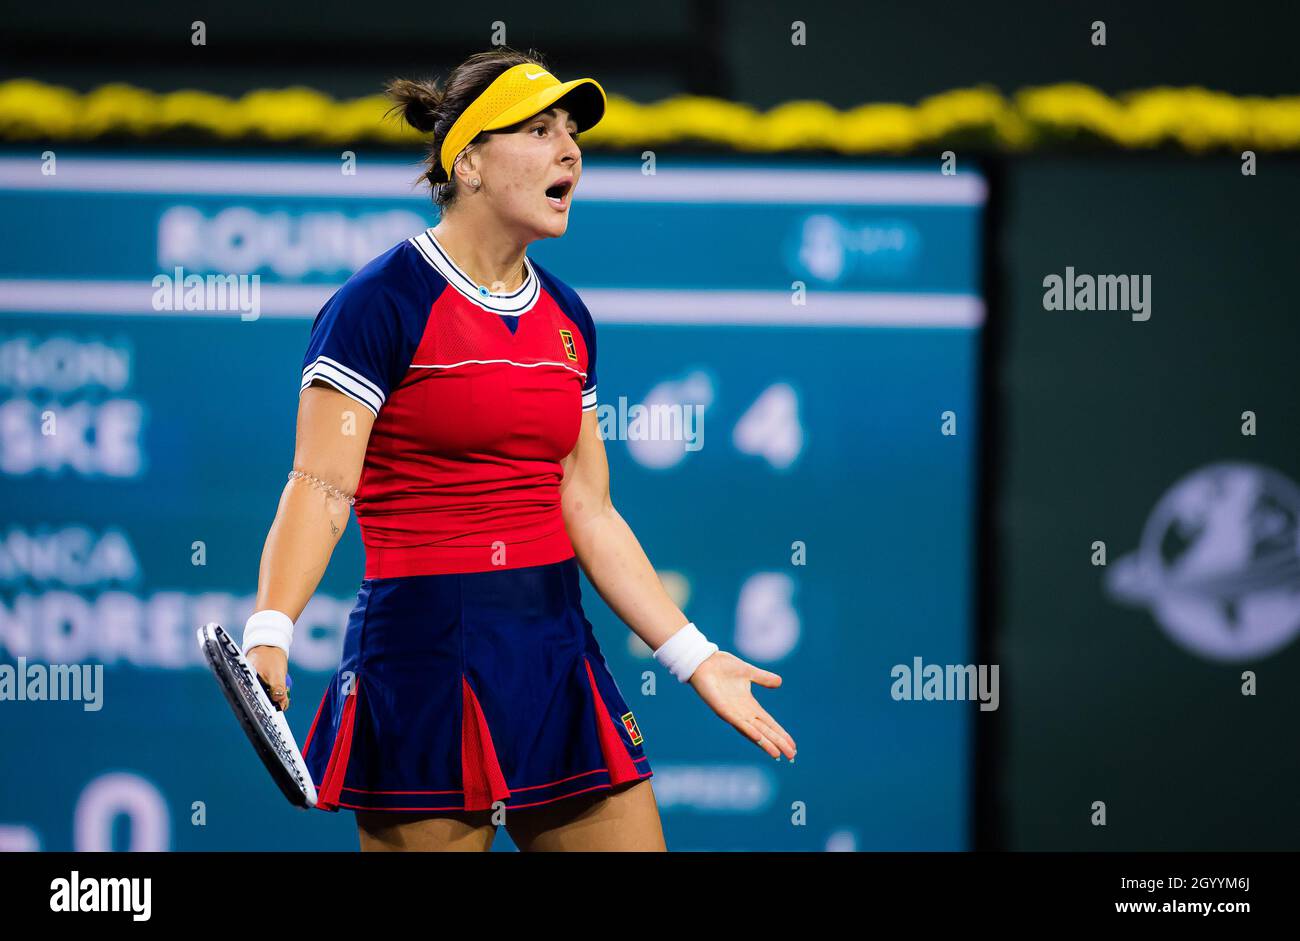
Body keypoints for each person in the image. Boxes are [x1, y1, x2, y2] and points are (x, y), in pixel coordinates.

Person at [242, 47, 796, 852]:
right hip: (423, 656)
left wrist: (695, 655)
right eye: (538, 130)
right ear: (467, 161)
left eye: (571, 132)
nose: (569, 150)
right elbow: (321, 486)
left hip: (555, 649)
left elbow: (588, 507)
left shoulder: (568, 317)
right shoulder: (376, 305)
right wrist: (270, 630)